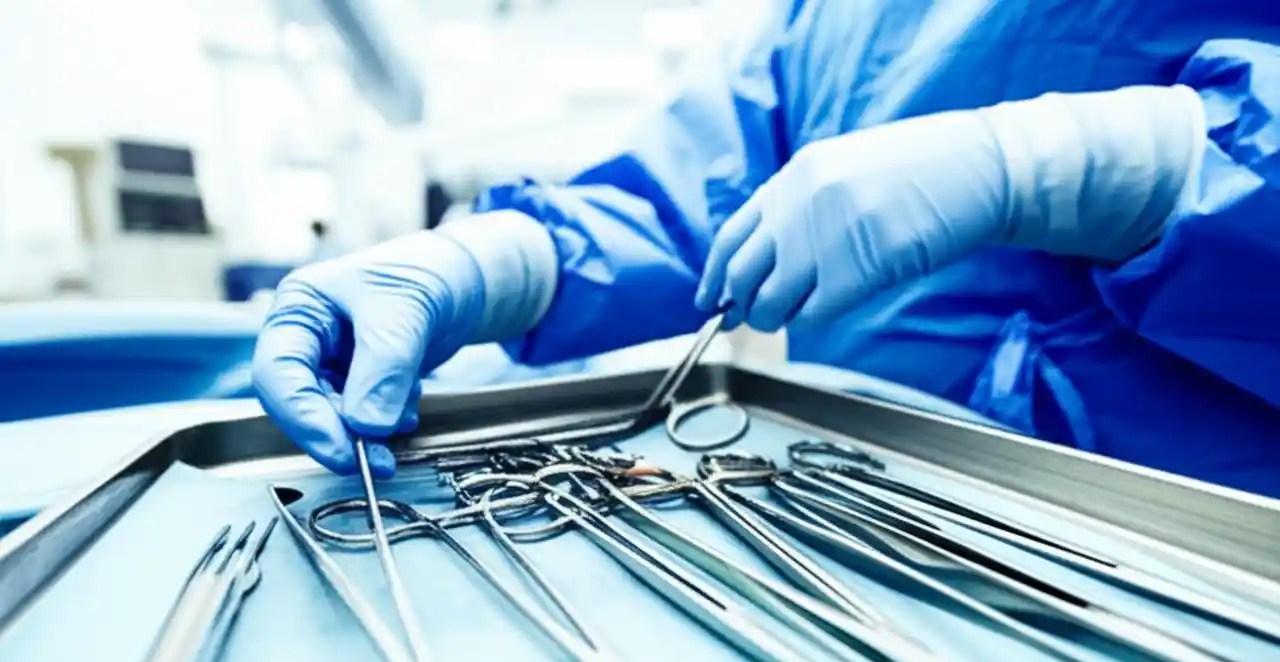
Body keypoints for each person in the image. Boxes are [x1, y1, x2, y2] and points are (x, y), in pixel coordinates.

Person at [253, 0, 1280, 497]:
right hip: (864, 508)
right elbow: (700, 203)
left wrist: (1120, 166)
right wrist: (497, 264)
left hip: (1200, 557)